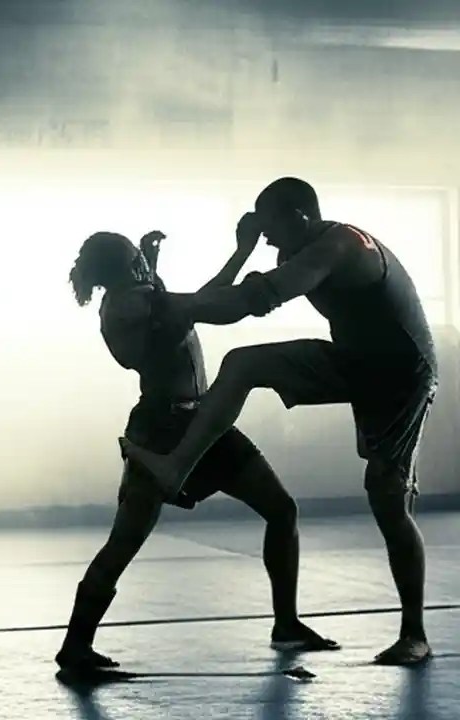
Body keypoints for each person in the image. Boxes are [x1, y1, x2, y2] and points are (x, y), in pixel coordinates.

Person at [122, 177, 437, 666]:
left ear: (299, 218)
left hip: (401, 373)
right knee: (243, 362)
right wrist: (241, 251)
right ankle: (176, 466)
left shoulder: (339, 245)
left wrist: (178, 303)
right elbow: (228, 308)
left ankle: (414, 633)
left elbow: (253, 300)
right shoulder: (297, 249)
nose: (267, 241)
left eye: (269, 229)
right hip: (353, 360)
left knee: (387, 497)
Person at [54, 228, 337, 674]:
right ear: (124, 268)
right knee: (126, 541)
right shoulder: (136, 302)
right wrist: (243, 252)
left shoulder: (131, 299)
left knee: (281, 509)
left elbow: (166, 313)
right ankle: (75, 647)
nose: (143, 263)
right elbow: (210, 303)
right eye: (135, 258)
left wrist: (152, 264)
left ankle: (286, 624)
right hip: (165, 428)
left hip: (201, 421)